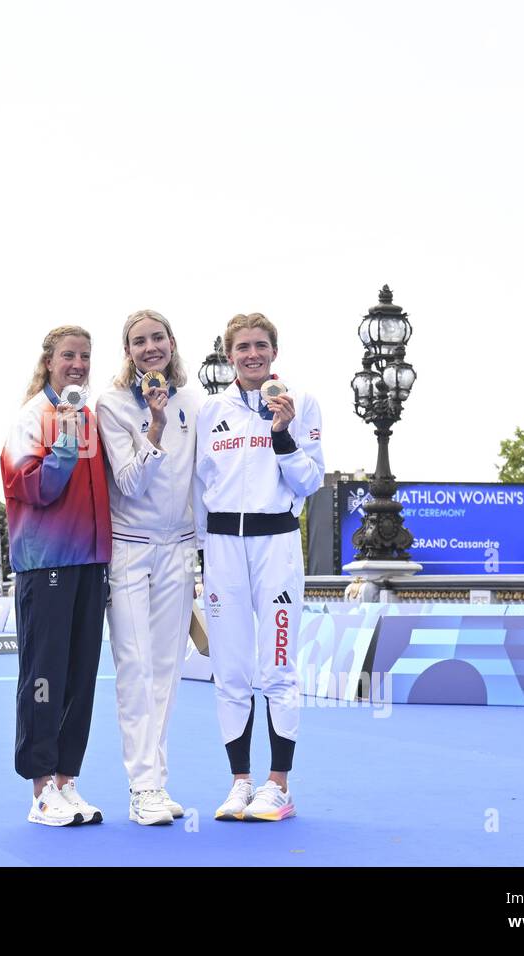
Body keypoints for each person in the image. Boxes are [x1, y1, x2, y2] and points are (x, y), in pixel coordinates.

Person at [194, 312, 324, 822]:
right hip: (224, 545)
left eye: (261, 346)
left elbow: (310, 482)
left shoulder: (301, 403)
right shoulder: (209, 412)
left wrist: (283, 433)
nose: (253, 354)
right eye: (243, 347)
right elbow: (199, 487)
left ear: (274, 351)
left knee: (278, 666)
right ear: (230, 355)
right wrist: (198, 552)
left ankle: (279, 785)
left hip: (276, 543)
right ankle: (239, 782)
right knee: (229, 669)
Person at [1, 325, 112, 827]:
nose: (79, 364)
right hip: (46, 564)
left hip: (89, 563)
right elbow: (32, 488)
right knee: (44, 677)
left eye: (86, 356)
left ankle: (67, 781)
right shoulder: (33, 417)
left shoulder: (86, 416)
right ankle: (41, 788)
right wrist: (64, 447)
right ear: (48, 362)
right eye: (69, 355)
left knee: (80, 678)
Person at [94, 310, 201, 826]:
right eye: (139, 342)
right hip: (131, 549)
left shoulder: (195, 403)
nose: (150, 347)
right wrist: (154, 426)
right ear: (128, 352)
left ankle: (155, 779)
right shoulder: (111, 406)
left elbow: (200, 485)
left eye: (157, 338)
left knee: (166, 670)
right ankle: (143, 788)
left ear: (172, 343)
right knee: (135, 669)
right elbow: (131, 484)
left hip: (179, 549)